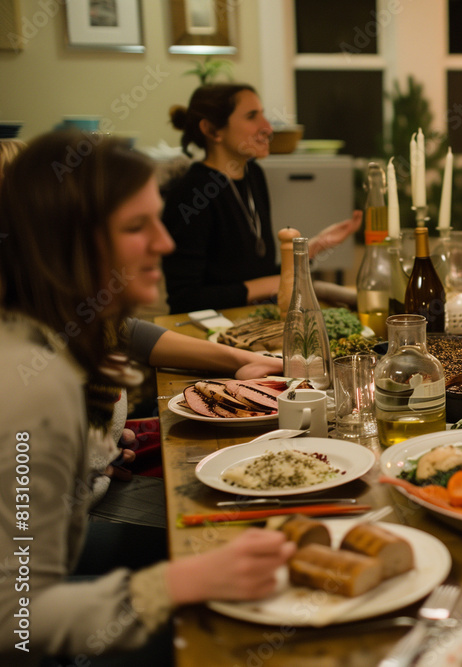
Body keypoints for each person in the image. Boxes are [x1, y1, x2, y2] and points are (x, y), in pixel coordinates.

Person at [0, 131, 294, 665]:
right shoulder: (30, 388)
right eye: (138, 227)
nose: (165, 241)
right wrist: (178, 584)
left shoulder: (56, 328)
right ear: (68, 246)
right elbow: (14, 621)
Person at [162, 83, 362, 313]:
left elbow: (255, 277)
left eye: (263, 115)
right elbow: (185, 299)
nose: (267, 128)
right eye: (251, 117)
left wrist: (313, 248)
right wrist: (273, 283)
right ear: (212, 130)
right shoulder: (191, 194)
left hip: (253, 318)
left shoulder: (253, 175)